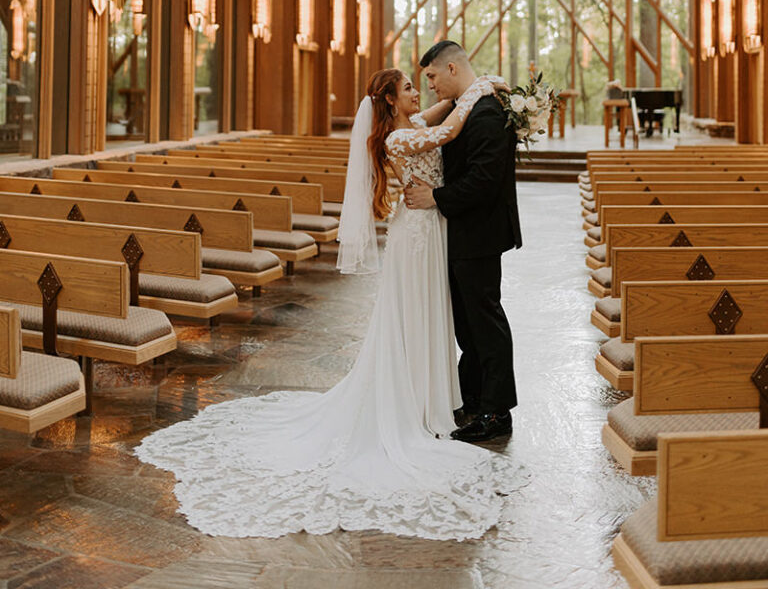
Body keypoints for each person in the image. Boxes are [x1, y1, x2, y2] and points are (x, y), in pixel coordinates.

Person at [135, 68, 519, 540]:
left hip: (432, 229)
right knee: (412, 316)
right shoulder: (400, 140)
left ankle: (431, 398)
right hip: (417, 235)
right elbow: (449, 128)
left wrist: (480, 84)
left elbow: (442, 113)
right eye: (410, 89)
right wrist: (479, 89)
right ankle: (416, 403)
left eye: (423, 85)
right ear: (391, 101)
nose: (421, 93)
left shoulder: (409, 123)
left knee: (431, 315)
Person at [404, 40, 521, 443]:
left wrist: (433, 197)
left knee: (485, 322)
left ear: (452, 69)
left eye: (433, 76)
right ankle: (472, 396)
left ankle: (496, 412)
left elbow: (484, 182)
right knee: (468, 325)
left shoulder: (486, 112)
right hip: (462, 231)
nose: (431, 85)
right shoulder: (468, 106)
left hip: (480, 233)